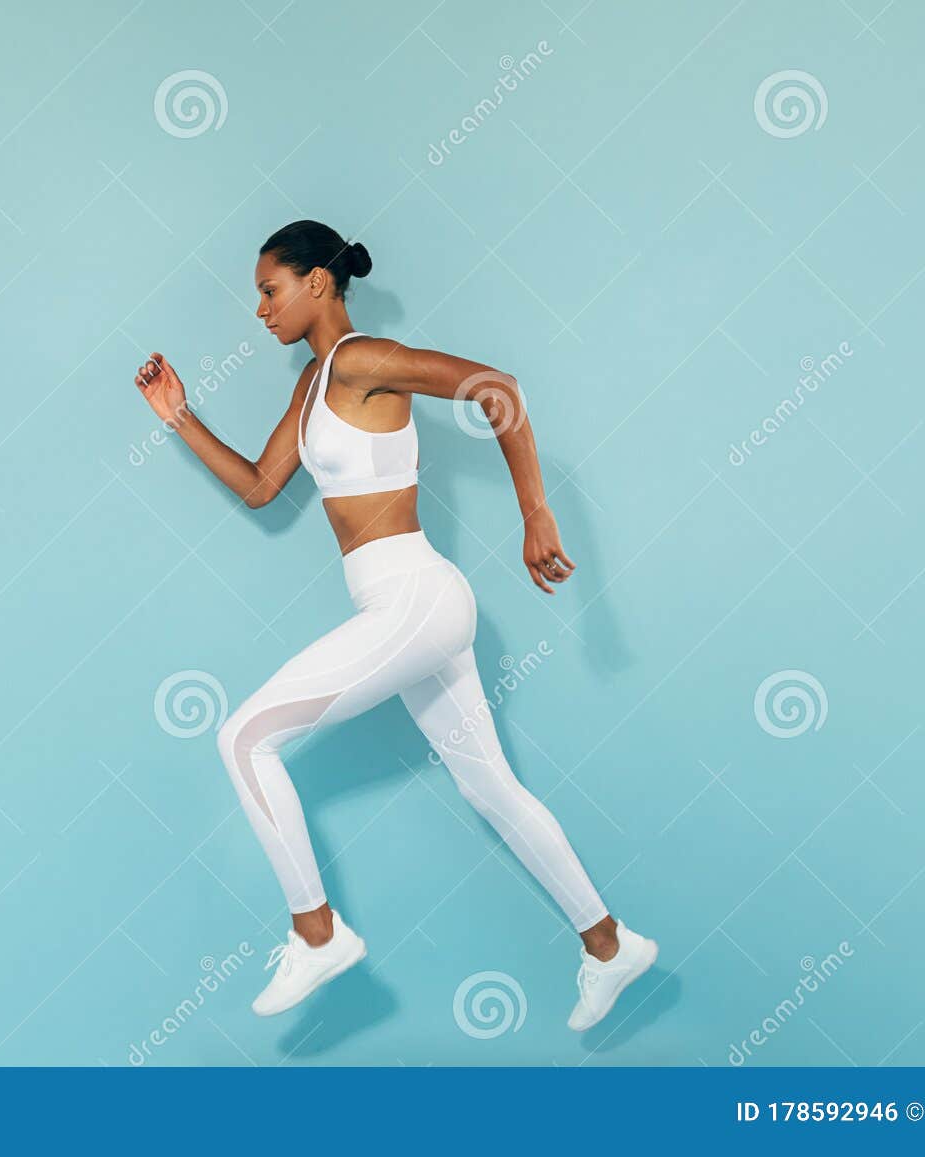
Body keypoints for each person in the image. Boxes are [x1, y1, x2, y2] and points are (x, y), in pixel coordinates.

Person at [132, 220, 656, 1030]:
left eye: (270, 290)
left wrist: (535, 513)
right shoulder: (313, 384)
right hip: (405, 607)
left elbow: (497, 387)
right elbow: (263, 485)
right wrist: (179, 414)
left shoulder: (362, 359)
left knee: (242, 738)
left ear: (317, 282)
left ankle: (318, 934)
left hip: (414, 597)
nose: (260, 310)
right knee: (491, 787)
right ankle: (610, 945)